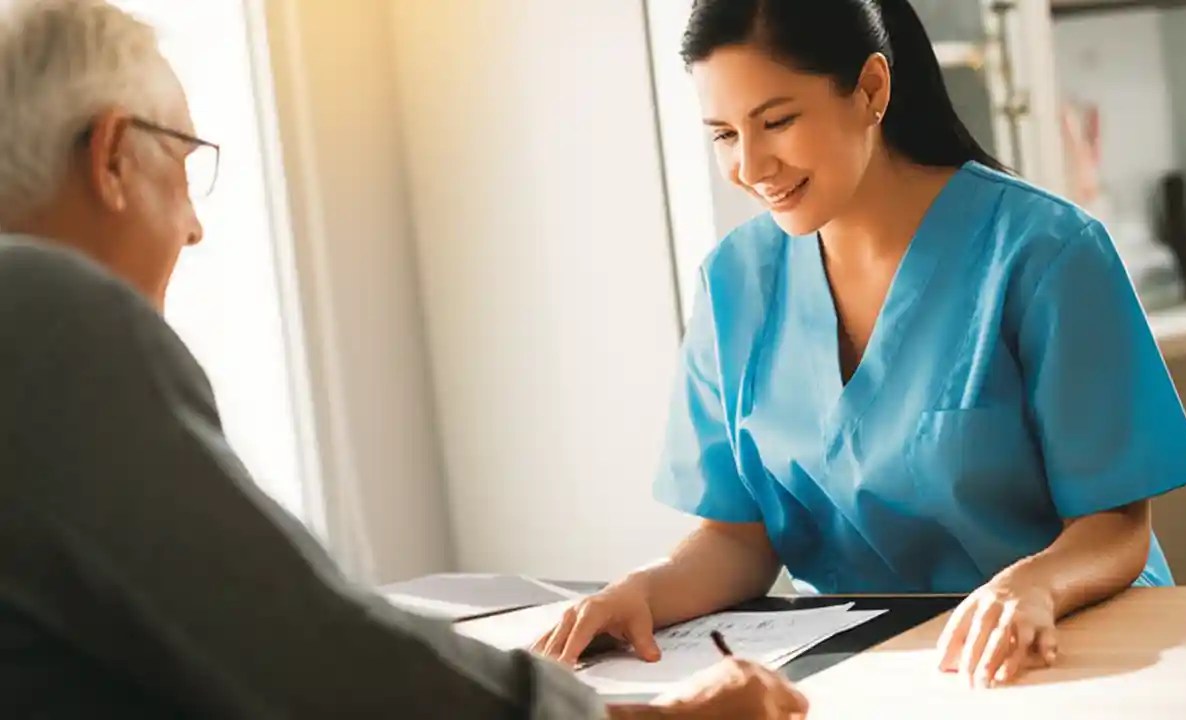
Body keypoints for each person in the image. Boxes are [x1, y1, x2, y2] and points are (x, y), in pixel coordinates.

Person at [0, 2, 809, 718]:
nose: (194, 228)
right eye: (183, 161)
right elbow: (315, 662)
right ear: (111, 156)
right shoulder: (47, 312)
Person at [534, 0, 1186, 690]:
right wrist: (642, 594)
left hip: (1067, 647)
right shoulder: (734, 283)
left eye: (777, 121)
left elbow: (1116, 523)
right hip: (871, 673)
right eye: (724, 135)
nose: (750, 165)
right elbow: (740, 537)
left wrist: (1029, 588)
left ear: (872, 90)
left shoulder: (1046, 255)